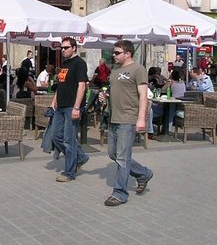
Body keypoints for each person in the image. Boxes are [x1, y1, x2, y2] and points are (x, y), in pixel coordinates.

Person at [100, 40, 153, 206]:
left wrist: (141, 118)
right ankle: (143, 173)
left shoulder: (138, 69)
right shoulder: (115, 70)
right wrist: (105, 96)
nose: (113, 55)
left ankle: (119, 193)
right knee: (113, 154)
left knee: (122, 158)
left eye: (117, 53)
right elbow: (115, 91)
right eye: (113, 52)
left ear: (128, 53)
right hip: (113, 117)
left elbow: (143, 95)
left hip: (128, 118)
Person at [52, 38, 88, 182]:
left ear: (74, 48)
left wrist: (76, 107)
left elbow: (82, 86)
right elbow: (60, 84)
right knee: (56, 136)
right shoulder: (65, 64)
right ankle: (80, 157)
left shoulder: (79, 63)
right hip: (60, 106)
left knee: (69, 140)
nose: (63, 50)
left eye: (66, 47)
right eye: (62, 47)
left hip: (71, 107)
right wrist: (54, 101)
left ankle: (69, 172)